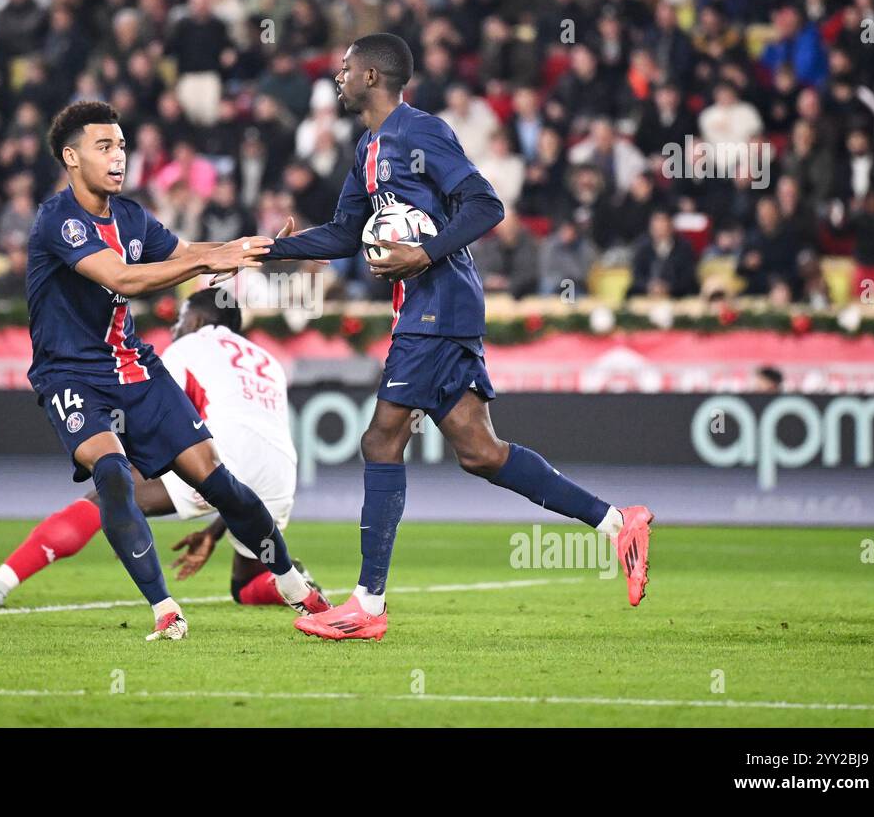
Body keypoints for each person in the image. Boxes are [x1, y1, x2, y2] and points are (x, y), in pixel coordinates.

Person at [260, 34, 653, 640]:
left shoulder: (422, 131)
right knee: (481, 451)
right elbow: (344, 233)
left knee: (381, 438)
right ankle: (618, 523)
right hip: (432, 307)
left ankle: (367, 604)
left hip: (438, 302)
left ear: (371, 75)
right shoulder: (366, 147)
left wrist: (423, 253)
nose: (337, 78)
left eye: (344, 69)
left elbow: (486, 204)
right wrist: (274, 248)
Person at [0, 101, 327, 640]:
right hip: (71, 376)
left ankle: (294, 586)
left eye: (121, 145)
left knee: (220, 482)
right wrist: (209, 260)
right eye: (105, 147)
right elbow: (125, 279)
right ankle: (165, 608)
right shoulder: (58, 220)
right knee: (113, 475)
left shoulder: (133, 217)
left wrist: (249, 250)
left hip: (135, 368)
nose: (119, 156)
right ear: (71, 158)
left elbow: (187, 250)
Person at [0, 288, 322, 610]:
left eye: (181, 319)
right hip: (280, 469)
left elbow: (159, 417)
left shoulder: (188, 348)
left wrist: (129, 508)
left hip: (227, 453)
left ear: (199, 321)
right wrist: (215, 531)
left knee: (104, 497)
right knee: (247, 582)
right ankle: (297, 585)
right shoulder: (268, 361)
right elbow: (252, 450)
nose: (176, 327)